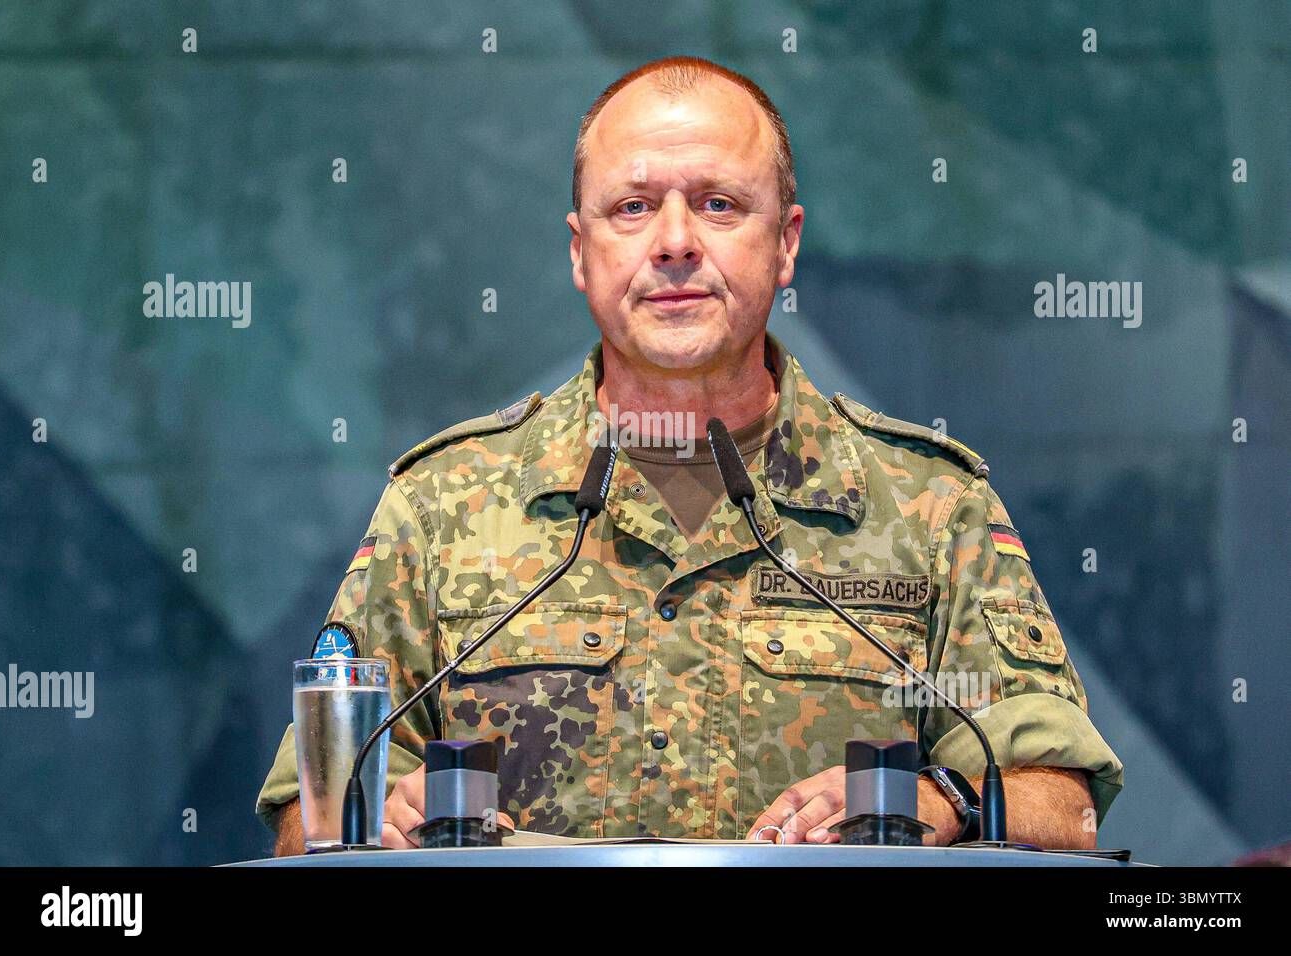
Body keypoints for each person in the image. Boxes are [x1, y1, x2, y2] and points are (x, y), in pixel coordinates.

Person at [258, 56, 1122, 855]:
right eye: (633, 208)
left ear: (785, 243)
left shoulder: (931, 507)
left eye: (717, 205)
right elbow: (307, 822)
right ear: (578, 251)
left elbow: (1065, 803)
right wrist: (379, 814)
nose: (673, 242)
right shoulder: (443, 507)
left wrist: (939, 798)